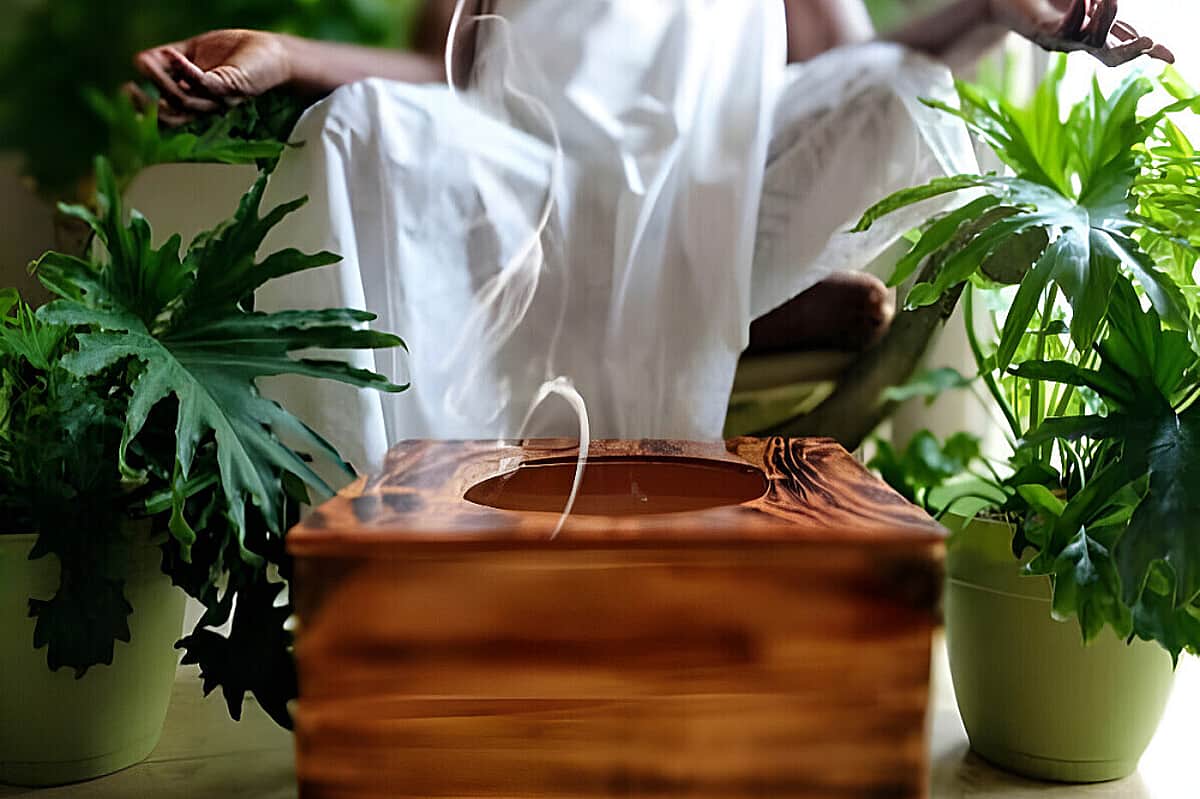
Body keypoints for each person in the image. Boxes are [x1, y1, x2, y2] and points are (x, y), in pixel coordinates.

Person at [131, 1, 1172, 467]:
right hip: (526, 193)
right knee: (358, 124)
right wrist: (288, 56)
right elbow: (455, 85)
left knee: (899, 86)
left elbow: (852, 73)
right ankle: (395, 533)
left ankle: (745, 305)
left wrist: (996, 10)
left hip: (706, 198)